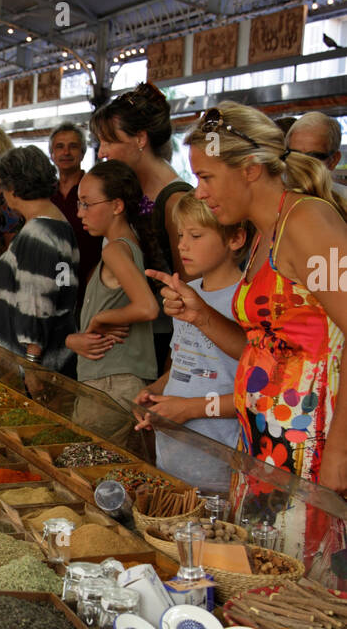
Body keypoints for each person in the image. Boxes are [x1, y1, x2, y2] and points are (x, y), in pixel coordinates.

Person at [149, 101, 347, 496]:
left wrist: (340, 453)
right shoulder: (262, 235)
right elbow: (266, 352)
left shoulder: (306, 222)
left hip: (312, 445)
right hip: (265, 443)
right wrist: (201, 314)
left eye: (206, 177)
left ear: (250, 170)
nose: (200, 192)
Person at [134, 193, 248, 492]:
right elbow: (185, 364)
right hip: (172, 457)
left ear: (235, 239)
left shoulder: (247, 302)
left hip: (219, 463)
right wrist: (154, 391)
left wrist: (190, 408)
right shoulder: (185, 292)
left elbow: (256, 394)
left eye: (196, 235)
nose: (183, 245)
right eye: (181, 234)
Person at [92, 81, 193, 371]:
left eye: (110, 141)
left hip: (160, 345)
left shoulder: (175, 200)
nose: (101, 152)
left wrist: (174, 366)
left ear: (140, 139)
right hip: (127, 337)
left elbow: (188, 288)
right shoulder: (129, 189)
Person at [66, 161, 158, 431]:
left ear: (117, 206)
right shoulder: (127, 247)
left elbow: (147, 308)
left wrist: (101, 319)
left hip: (111, 383)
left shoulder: (114, 251)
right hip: (117, 381)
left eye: (86, 203)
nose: (79, 212)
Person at [0, 145, 79, 376]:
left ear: (13, 188)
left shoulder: (37, 234)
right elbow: (60, 287)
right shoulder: (59, 224)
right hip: (51, 358)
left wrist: (31, 365)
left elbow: (37, 302)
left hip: (25, 368)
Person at [49, 122, 101, 308]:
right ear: (52, 154)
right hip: (51, 284)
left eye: (73, 146)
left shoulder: (95, 188)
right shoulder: (46, 193)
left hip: (89, 280)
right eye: (60, 147)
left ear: (83, 152)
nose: (66, 152)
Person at [285, 113, 347, 198]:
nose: (302, 165)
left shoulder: (343, 201)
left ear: (334, 160)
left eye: (313, 156)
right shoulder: (271, 200)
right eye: (296, 155)